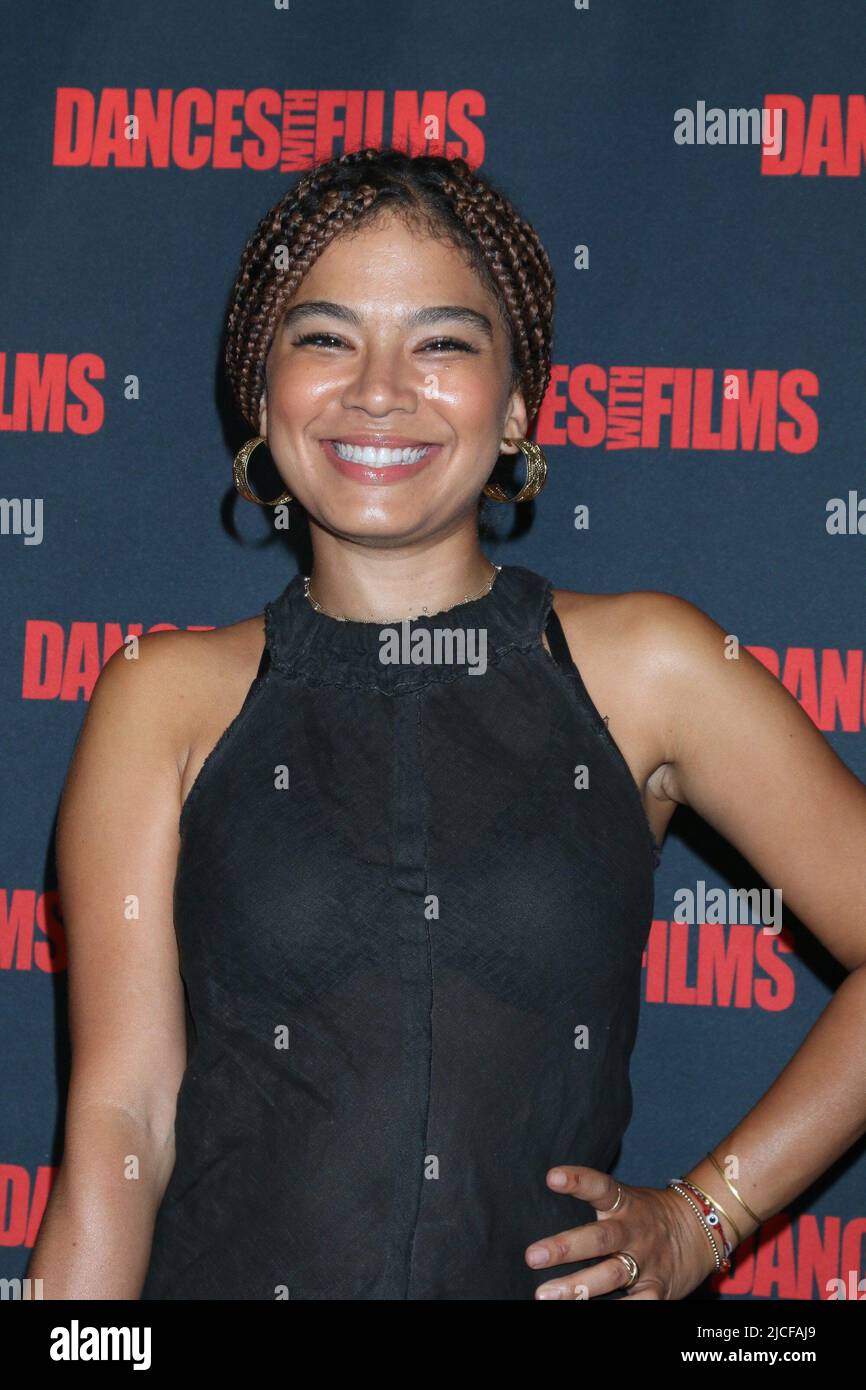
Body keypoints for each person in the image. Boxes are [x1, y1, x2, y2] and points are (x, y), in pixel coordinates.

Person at [27, 148, 866, 1301]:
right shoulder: (160, 696)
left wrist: (707, 1213)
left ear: (515, 400)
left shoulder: (651, 664)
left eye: (441, 343)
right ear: (259, 388)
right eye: (322, 337)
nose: (378, 388)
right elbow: (124, 1122)